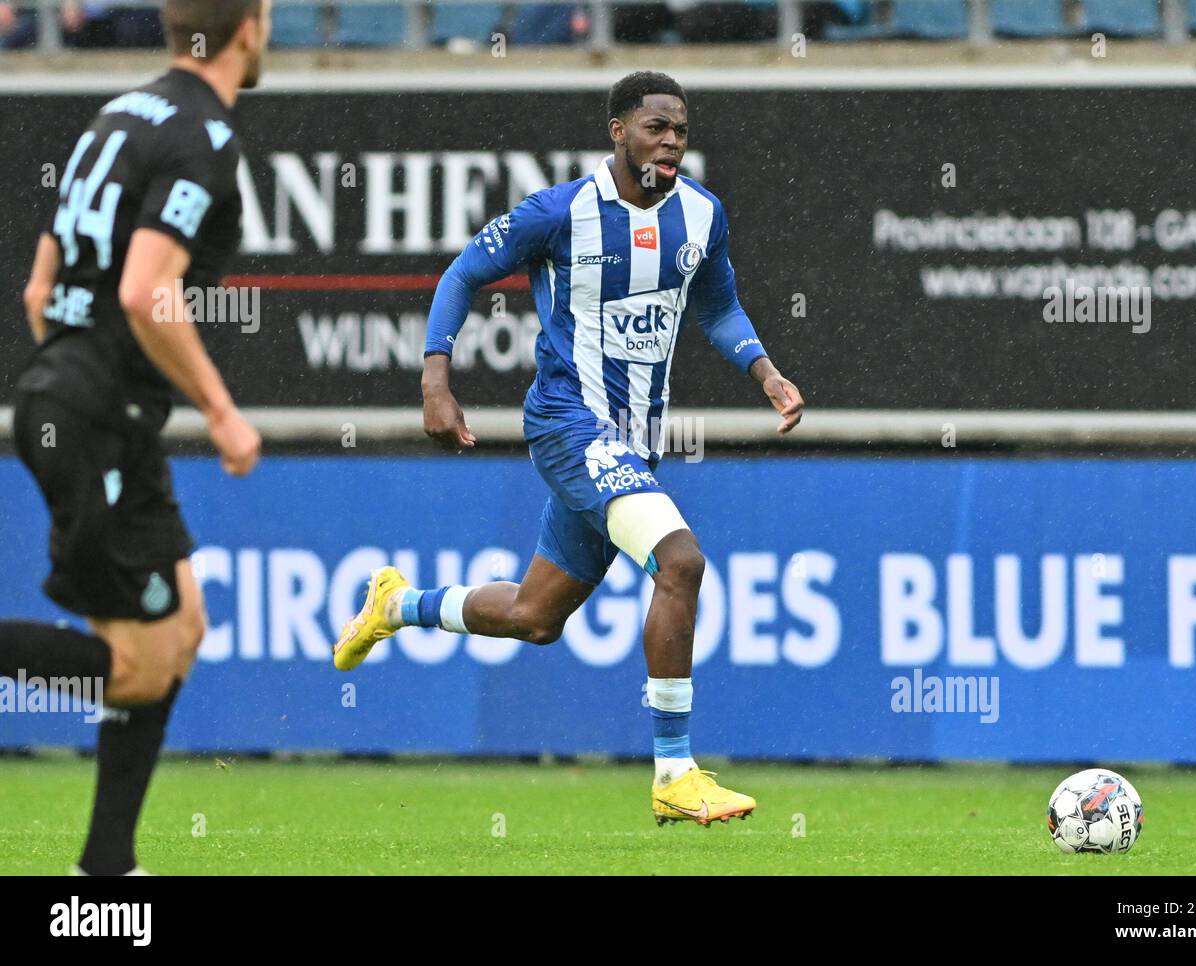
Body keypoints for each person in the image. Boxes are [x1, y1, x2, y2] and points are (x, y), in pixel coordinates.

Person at [333, 71, 805, 828]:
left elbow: (716, 304)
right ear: (617, 131)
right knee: (680, 561)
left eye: (681, 129)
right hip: (567, 424)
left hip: (635, 445)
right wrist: (435, 376)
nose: (672, 141)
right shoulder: (559, 213)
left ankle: (397, 604)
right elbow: (463, 272)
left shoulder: (701, 216)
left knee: (534, 616)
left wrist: (766, 371)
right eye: (656, 126)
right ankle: (675, 772)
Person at [0, 0, 267, 875]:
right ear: (250, 27)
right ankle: (103, 868)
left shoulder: (117, 114)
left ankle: (107, 868)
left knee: (180, 627)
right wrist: (222, 411)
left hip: (77, 403)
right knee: (134, 666)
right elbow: (147, 292)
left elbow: (41, 292)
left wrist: (75, 391)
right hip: (98, 417)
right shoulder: (206, 138)